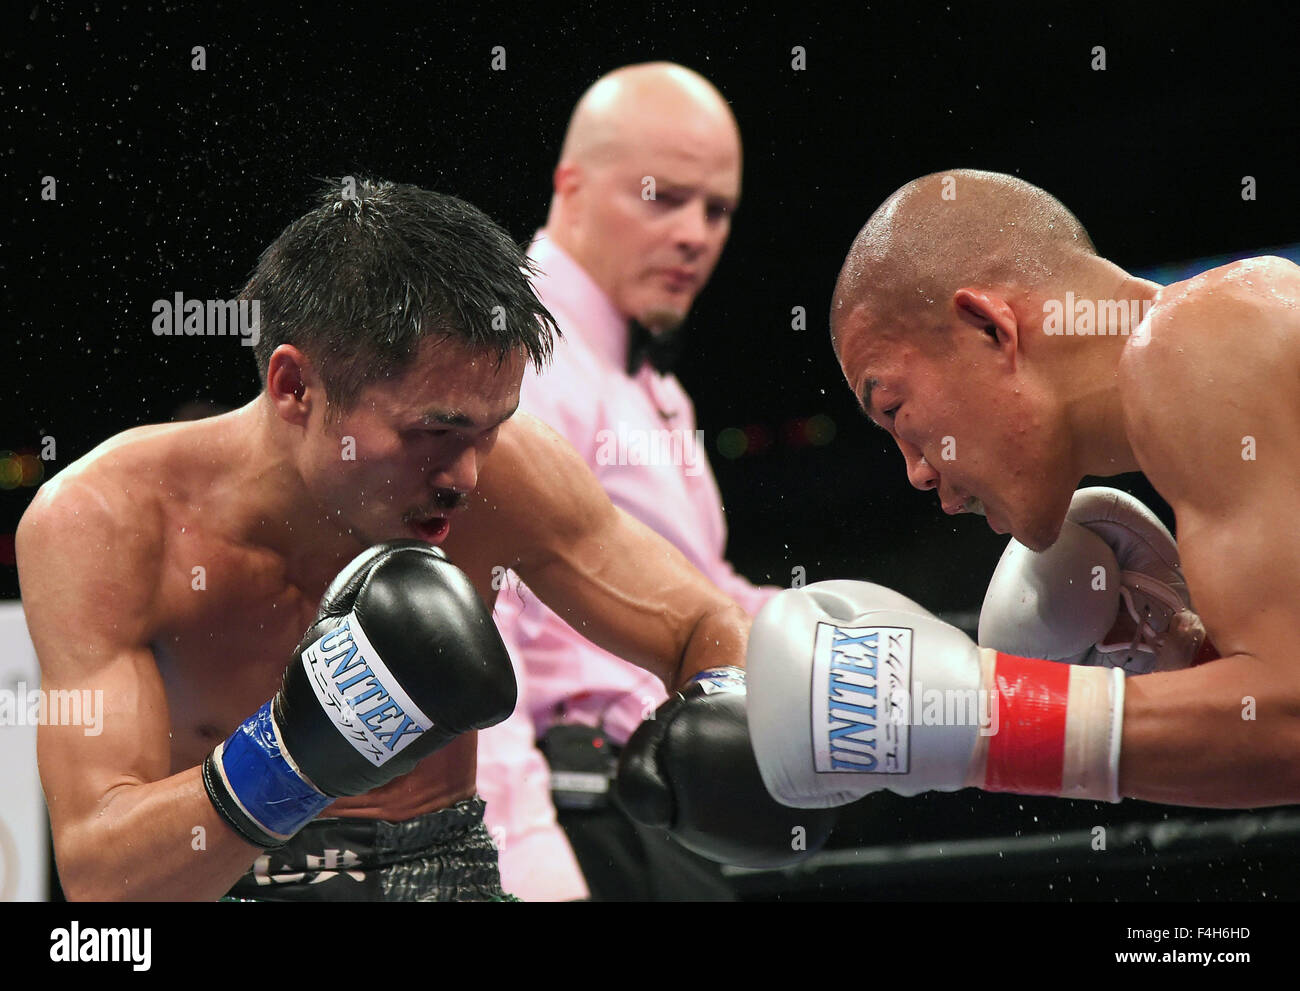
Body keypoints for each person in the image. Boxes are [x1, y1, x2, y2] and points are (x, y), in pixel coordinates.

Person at [15, 178, 828, 901]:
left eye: (491, 427)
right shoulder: (106, 520)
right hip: (220, 880)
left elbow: (697, 623)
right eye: (435, 430)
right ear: (294, 386)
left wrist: (723, 712)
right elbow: (101, 874)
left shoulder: (509, 473)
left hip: (442, 870)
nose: (468, 475)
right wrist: (295, 756)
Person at [744, 168, 1300, 813]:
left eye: (893, 408)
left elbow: (1289, 718)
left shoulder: (1204, 336)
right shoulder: (1213, 390)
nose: (917, 472)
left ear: (988, 327)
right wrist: (1189, 657)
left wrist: (983, 717)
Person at [476, 62, 777, 900]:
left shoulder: (650, 384)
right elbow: (473, 622)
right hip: (576, 804)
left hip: (646, 798)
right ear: (569, 187)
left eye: (717, 210)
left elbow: (705, 593)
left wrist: (886, 649)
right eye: (663, 197)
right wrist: (526, 860)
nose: (695, 234)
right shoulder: (518, 360)